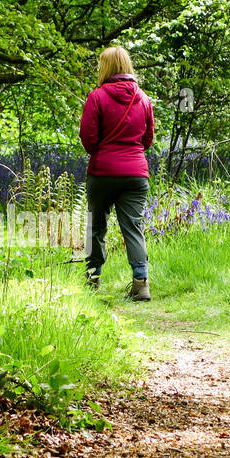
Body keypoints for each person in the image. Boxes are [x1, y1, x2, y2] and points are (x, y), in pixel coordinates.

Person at [79, 45, 154, 301]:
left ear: (106, 67)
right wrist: (131, 153)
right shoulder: (143, 99)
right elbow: (148, 140)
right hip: (136, 173)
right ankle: (141, 283)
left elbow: (88, 139)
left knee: (96, 227)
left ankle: (92, 277)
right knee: (133, 227)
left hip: (103, 172)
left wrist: (104, 153)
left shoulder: (97, 97)